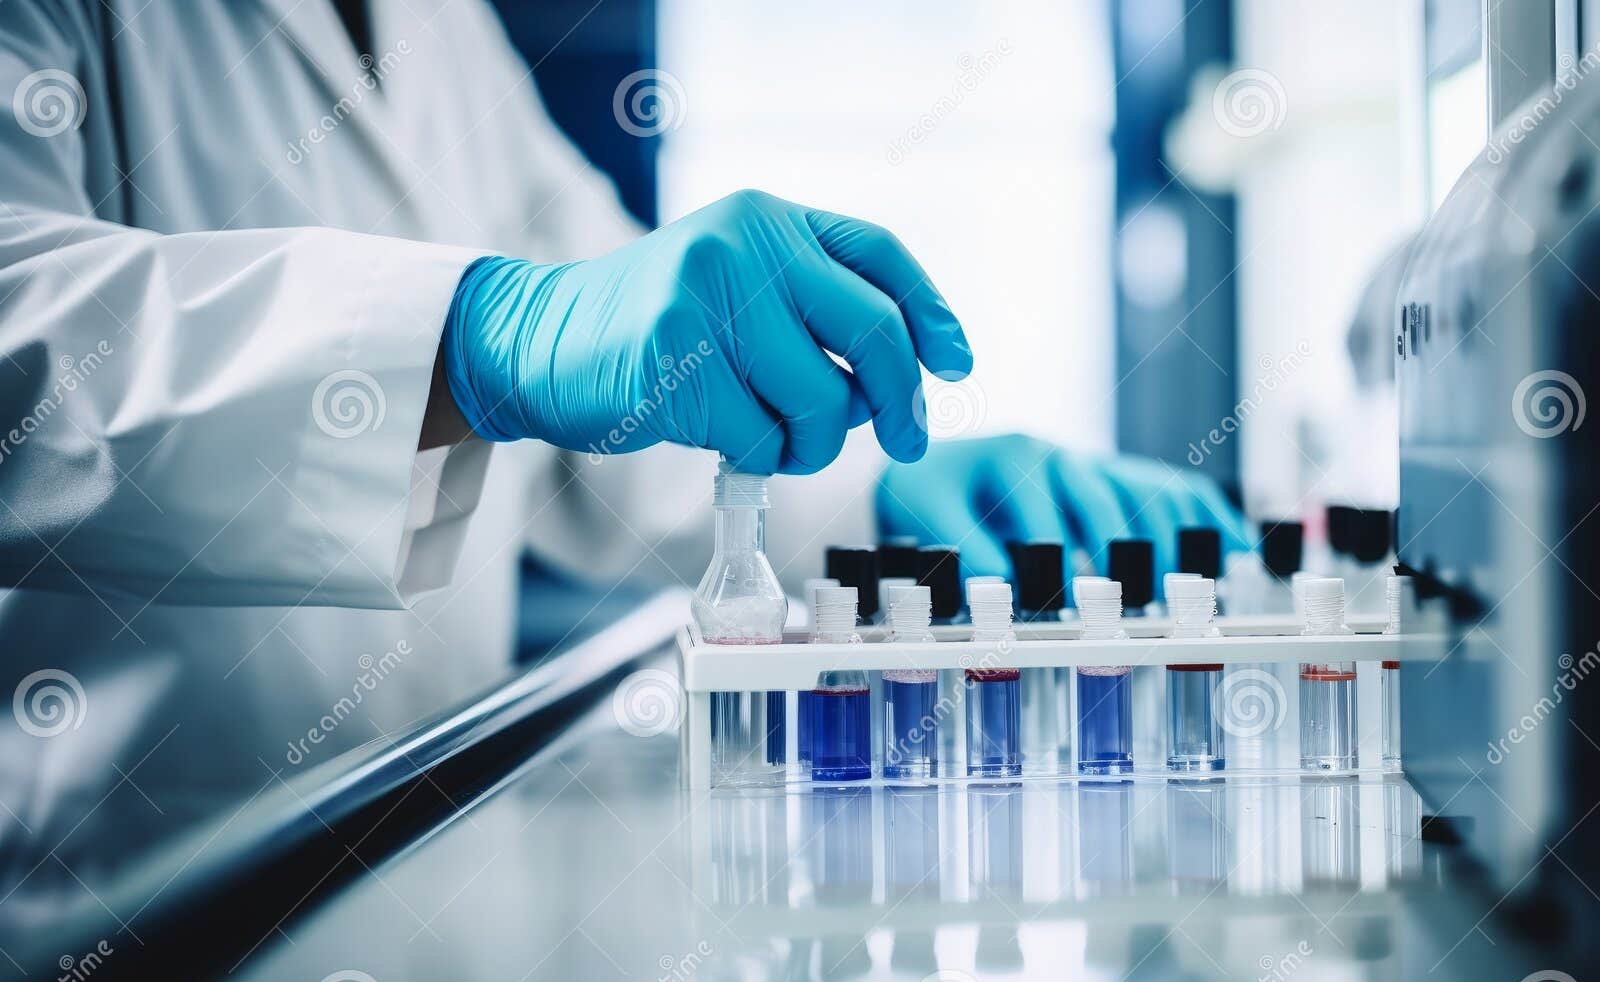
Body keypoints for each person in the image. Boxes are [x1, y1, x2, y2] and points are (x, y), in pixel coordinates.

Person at [0, 1, 1243, 874]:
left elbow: (627, 384)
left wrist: (873, 503)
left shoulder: (441, 28)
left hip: (429, 865)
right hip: (116, 912)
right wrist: (482, 335)